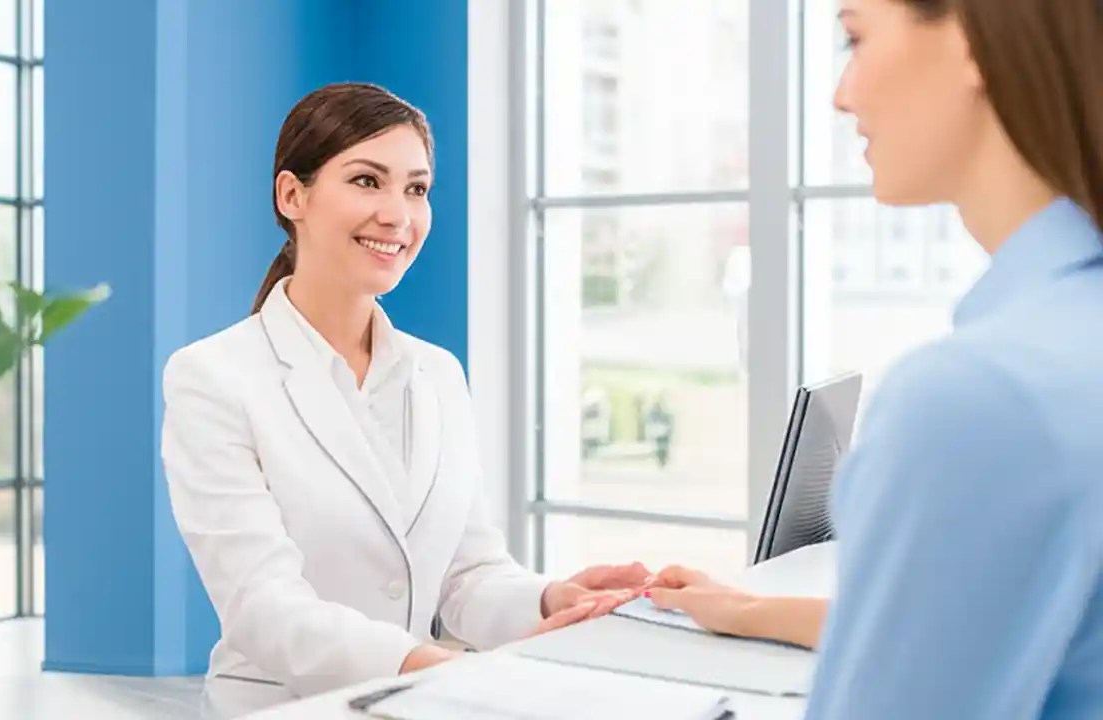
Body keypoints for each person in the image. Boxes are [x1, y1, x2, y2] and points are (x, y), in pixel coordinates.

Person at [646, 0, 1103, 716]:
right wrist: (747, 610)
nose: (841, 94)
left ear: (971, 38)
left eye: (854, 39)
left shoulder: (983, 396)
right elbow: (978, 626)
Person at [160, 82, 646, 707]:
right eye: (367, 181)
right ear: (292, 195)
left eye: (416, 189)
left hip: (418, 702)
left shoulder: (438, 374)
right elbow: (263, 608)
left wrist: (552, 602)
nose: (398, 214)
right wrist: (439, 669)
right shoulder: (211, 377)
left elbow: (466, 576)